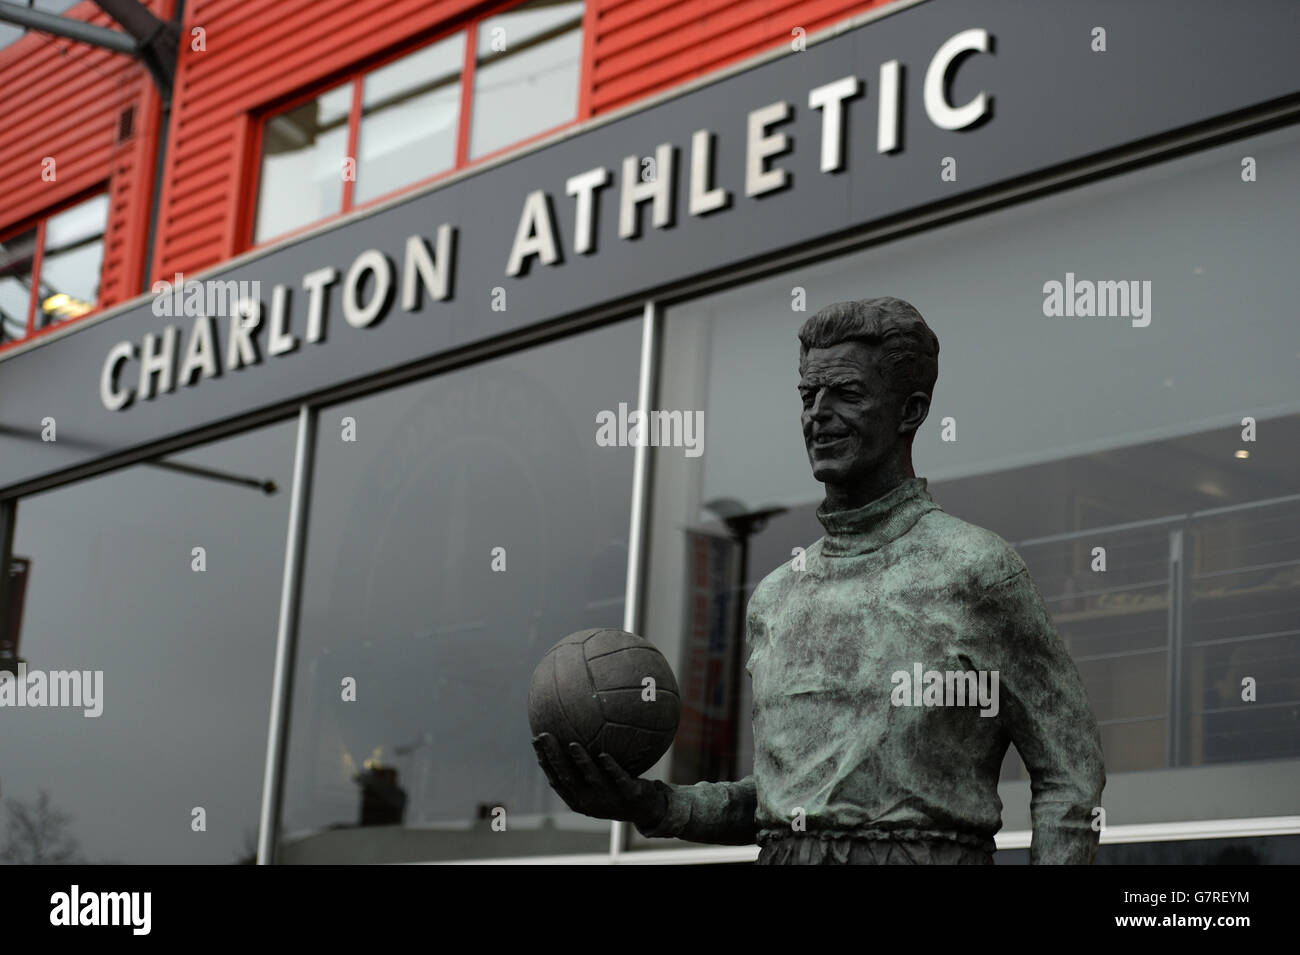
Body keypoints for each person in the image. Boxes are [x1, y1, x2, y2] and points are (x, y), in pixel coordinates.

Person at [534, 297, 1106, 864]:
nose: (818, 414)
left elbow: (1069, 772)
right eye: (809, 396)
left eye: (847, 394)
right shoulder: (778, 598)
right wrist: (653, 805)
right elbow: (784, 806)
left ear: (910, 411)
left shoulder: (975, 570)